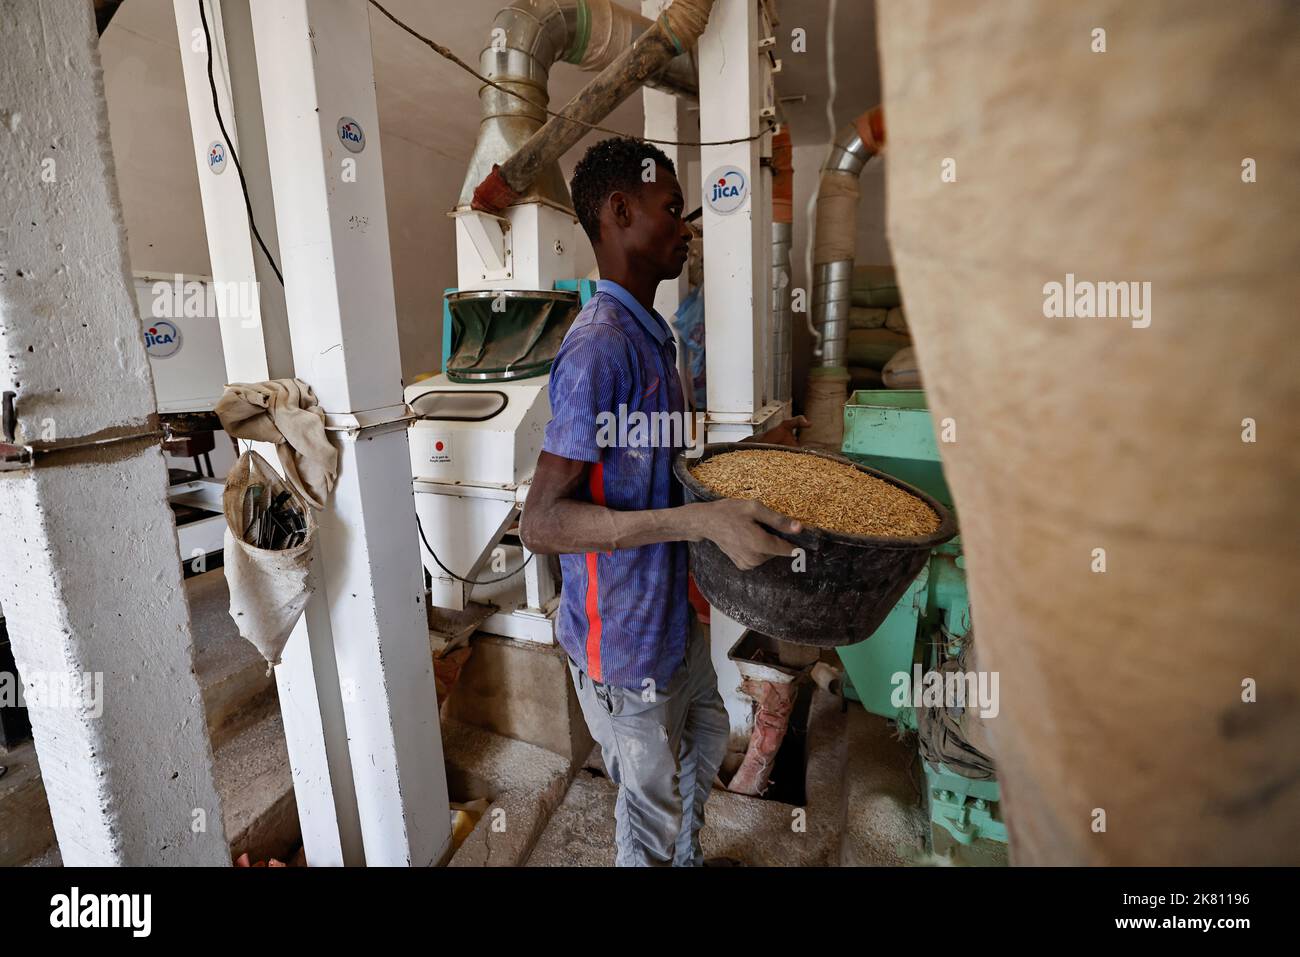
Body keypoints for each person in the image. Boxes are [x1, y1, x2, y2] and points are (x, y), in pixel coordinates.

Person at [519, 137, 809, 866]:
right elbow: (542, 522)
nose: (688, 227)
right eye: (672, 209)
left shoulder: (655, 339)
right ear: (620, 212)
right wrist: (696, 520)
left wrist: (756, 452)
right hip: (621, 644)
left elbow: (662, 462)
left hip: (672, 619)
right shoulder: (598, 348)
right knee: (646, 813)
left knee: (707, 734)